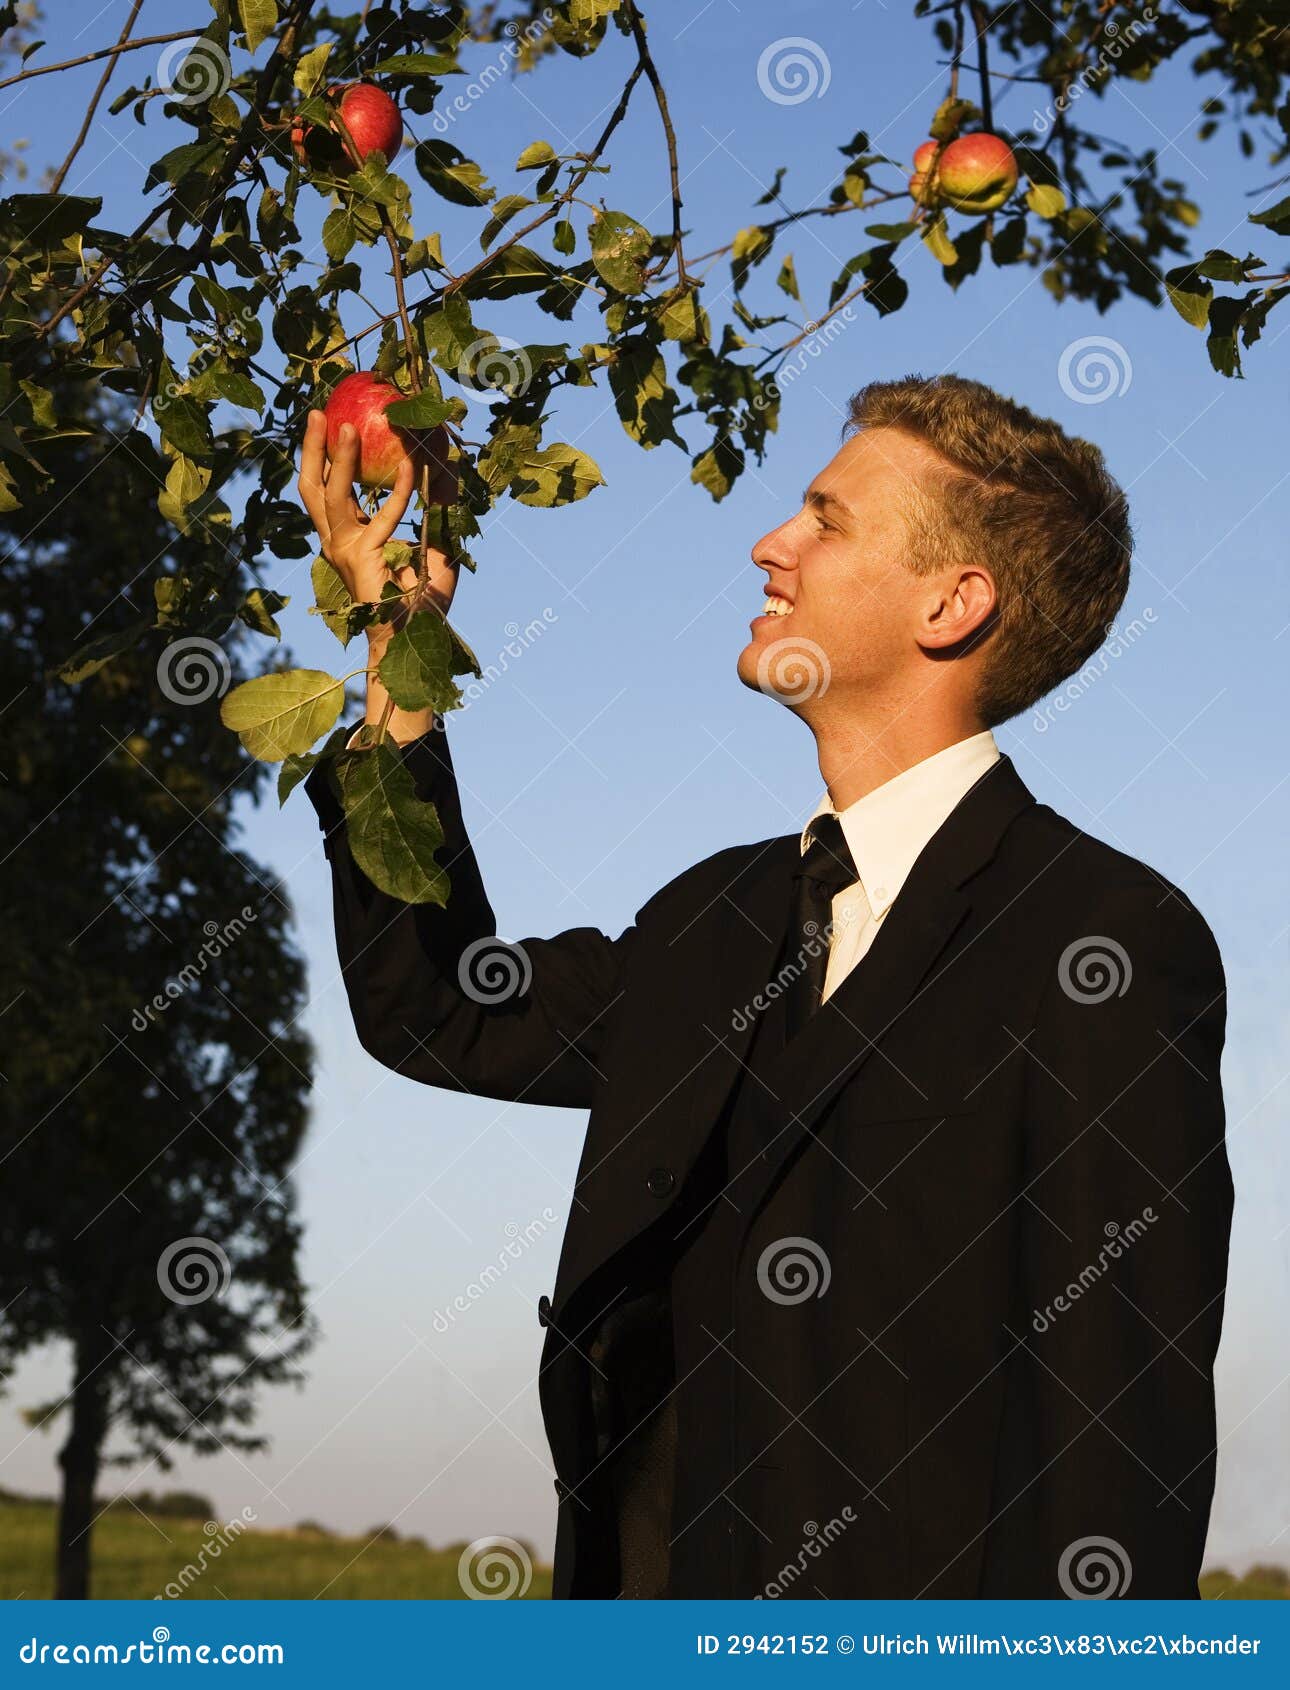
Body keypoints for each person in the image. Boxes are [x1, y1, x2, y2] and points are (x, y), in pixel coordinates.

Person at [296, 373, 1232, 1600]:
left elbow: (1119, 1433)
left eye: (827, 519)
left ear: (953, 603)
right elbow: (447, 1013)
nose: (769, 544)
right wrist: (399, 669)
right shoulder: (711, 918)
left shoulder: (1106, 938)